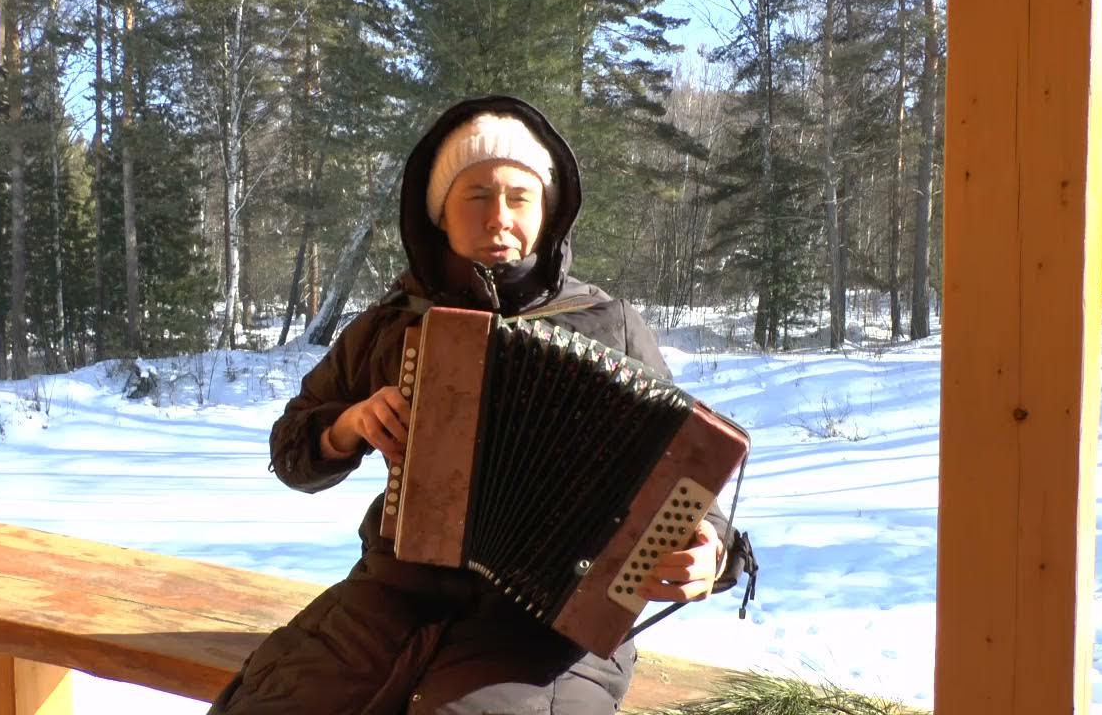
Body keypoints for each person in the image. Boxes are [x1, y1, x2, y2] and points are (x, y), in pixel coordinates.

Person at [208, 95, 749, 715]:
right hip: (392, 598)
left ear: (547, 213)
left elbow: (688, 476)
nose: (499, 218)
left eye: (519, 197)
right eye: (476, 196)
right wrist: (349, 425)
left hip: (554, 627)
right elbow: (291, 451)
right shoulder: (390, 323)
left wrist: (711, 545)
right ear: (439, 213)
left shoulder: (610, 325)